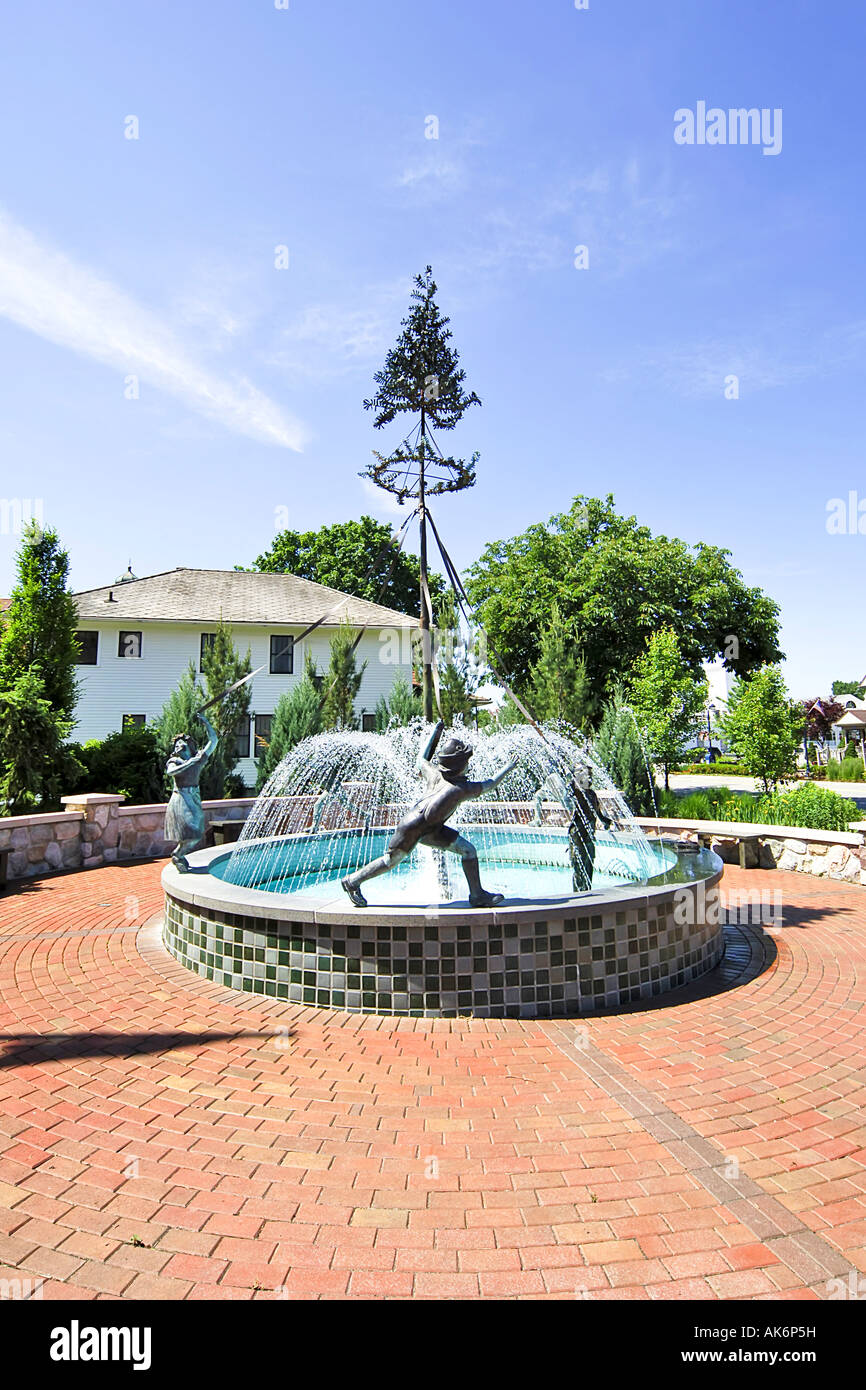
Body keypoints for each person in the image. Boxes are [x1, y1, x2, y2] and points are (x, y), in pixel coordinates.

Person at [341, 720, 517, 908]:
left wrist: (435, 733)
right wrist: (508, 767)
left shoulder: (435, 774)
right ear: (459, 766)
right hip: (412, 827)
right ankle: (352, 882)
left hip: (433, 829)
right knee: (390, 861)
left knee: (468, 850)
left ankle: (477, 895)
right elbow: (490, 784)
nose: (468, 765)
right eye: (466, 761)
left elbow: (421, 759)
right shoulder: (460, 788)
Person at [165, 712, 219, 871]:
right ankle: (178, 854)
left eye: (180, 743)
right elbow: (170, 772)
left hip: (194, 797)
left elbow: (213, 741)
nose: (177, 746)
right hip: (180, 798)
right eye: (176, 745)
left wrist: (206, 722)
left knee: (197, 830)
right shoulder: (174, 761)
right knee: (192, 832)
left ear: (188, 746)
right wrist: (191, 762)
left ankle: (179, 854)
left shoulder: (198, 759)